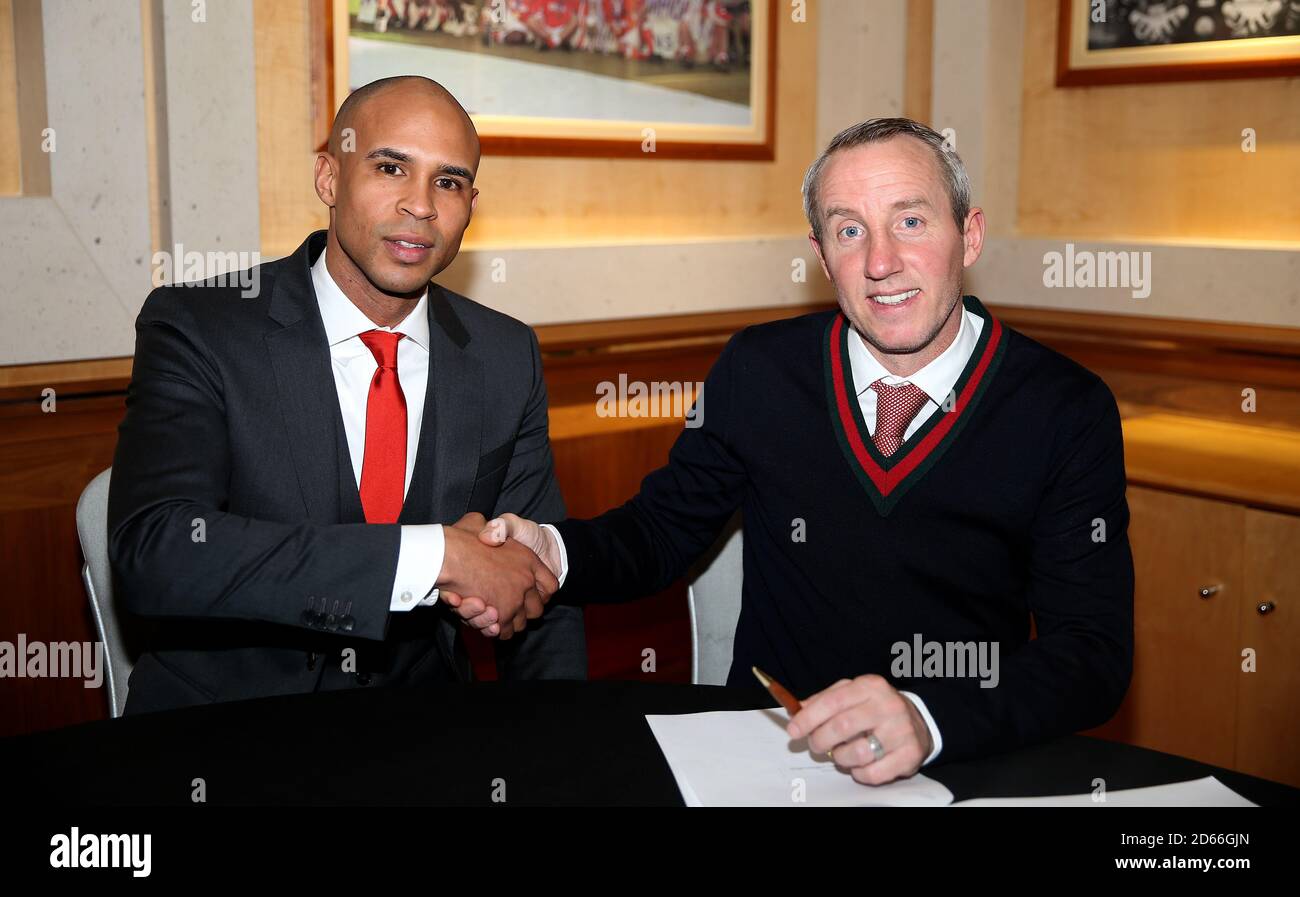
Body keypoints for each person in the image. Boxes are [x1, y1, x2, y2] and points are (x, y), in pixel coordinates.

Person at [462, 118, 1135, 785]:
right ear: (821, 257)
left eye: (910, 222)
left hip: (962, 755)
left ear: (970, 236)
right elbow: (659, 532)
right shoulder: (760, 369)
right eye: (850, 230)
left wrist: (929, 719)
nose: (880, 262)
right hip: (773, 755)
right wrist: (554, 550)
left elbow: (1092, 653)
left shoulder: (1063, 408)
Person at [108, 76, 584, 714]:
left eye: (448, 181)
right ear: (329, 178)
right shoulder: (201, 326)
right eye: (391, 167)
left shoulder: (506, 355)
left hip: (427, 740)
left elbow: (534, 587)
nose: (421, 206)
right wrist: (436, 555)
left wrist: (559, 755)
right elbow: (157, 552)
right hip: (227, 739)